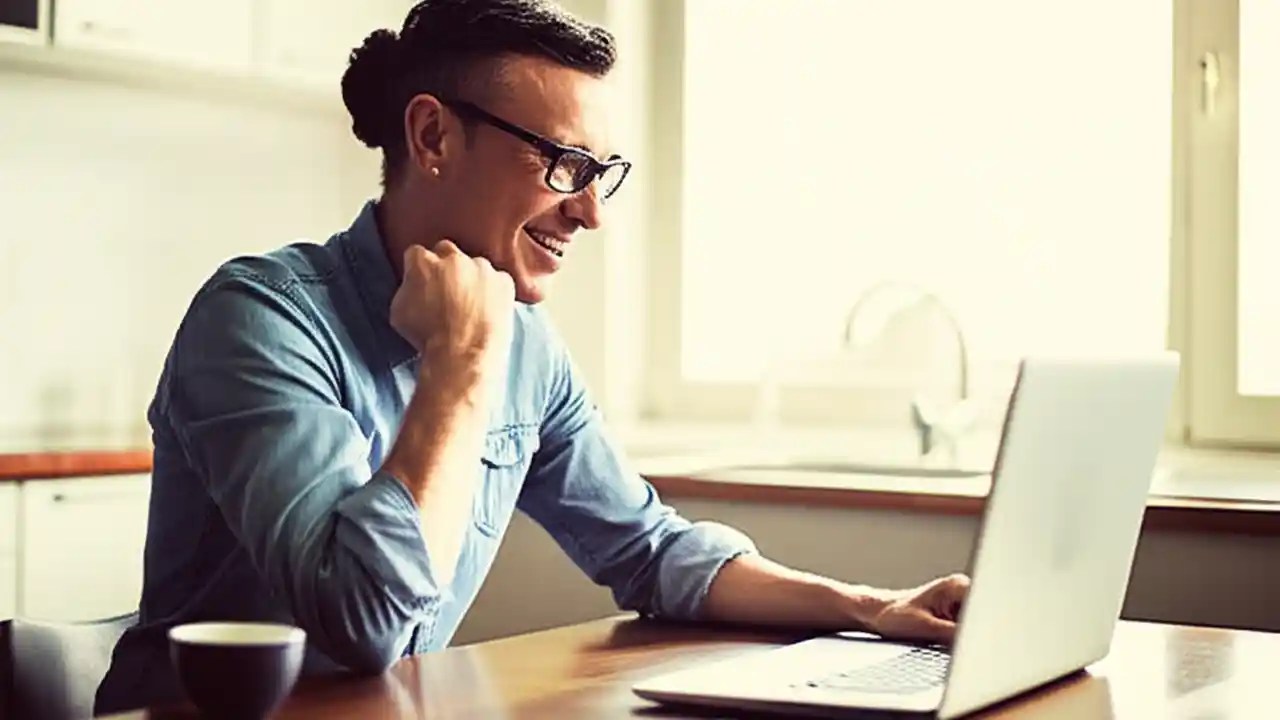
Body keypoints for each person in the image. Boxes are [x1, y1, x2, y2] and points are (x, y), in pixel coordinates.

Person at [96, 0, 969, 713]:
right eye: (564, 164)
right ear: (433, 138)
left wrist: (870, 607)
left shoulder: (525, 348)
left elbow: (650, 551)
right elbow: (363, 624)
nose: (590, 212)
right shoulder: (261, 319)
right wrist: (459, 366)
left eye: (601, 172)